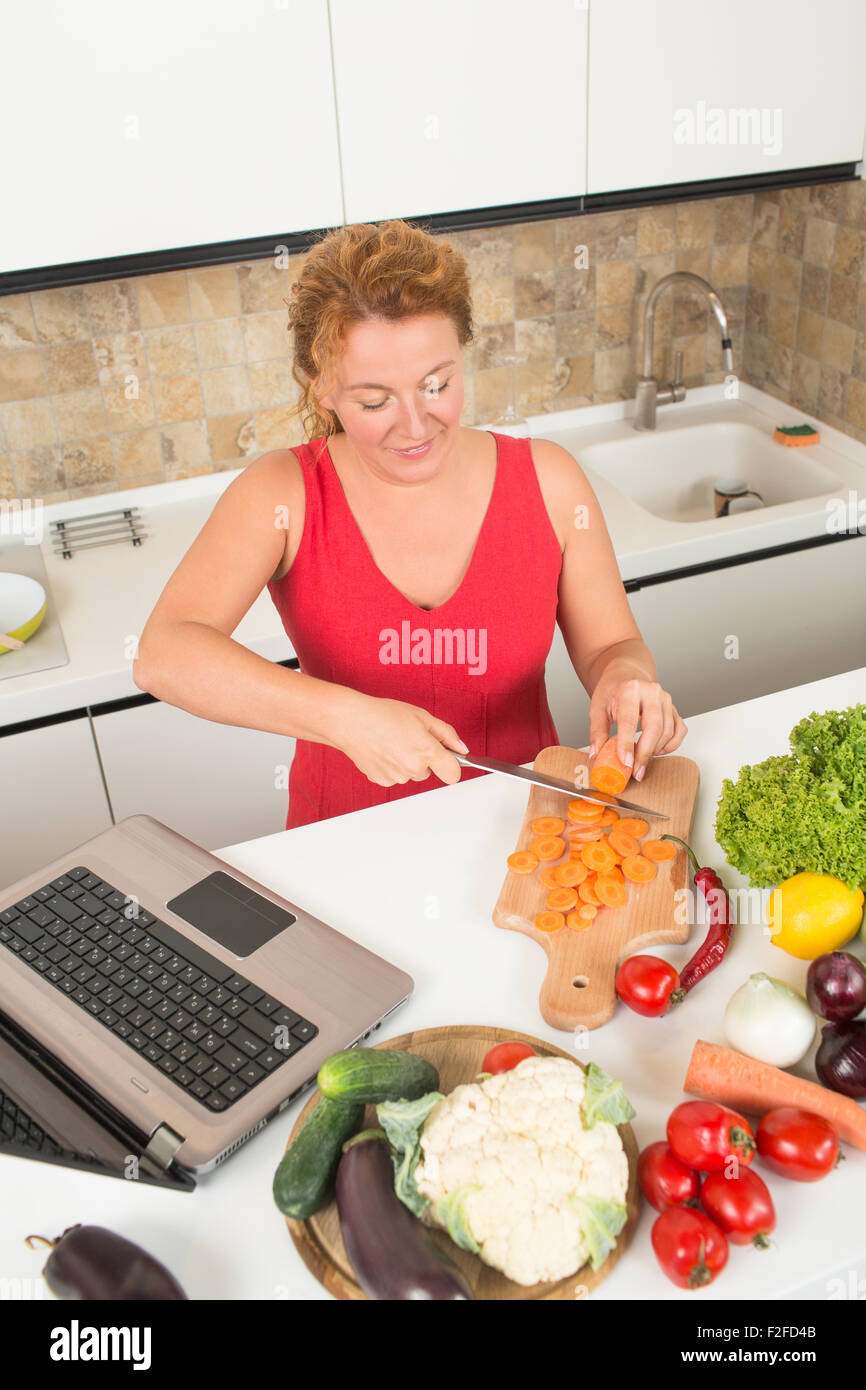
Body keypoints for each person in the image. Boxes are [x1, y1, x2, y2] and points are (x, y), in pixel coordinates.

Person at [134, 219, 687, 829]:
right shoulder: (283, 494)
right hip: (342, 835)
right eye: (375, 402)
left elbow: (612, 646)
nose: (416, 426)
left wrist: (627, 680)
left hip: (529, 826)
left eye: (436, 384)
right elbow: (164, 653)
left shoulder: (549, 481)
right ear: (321, 387)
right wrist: (345, 717)